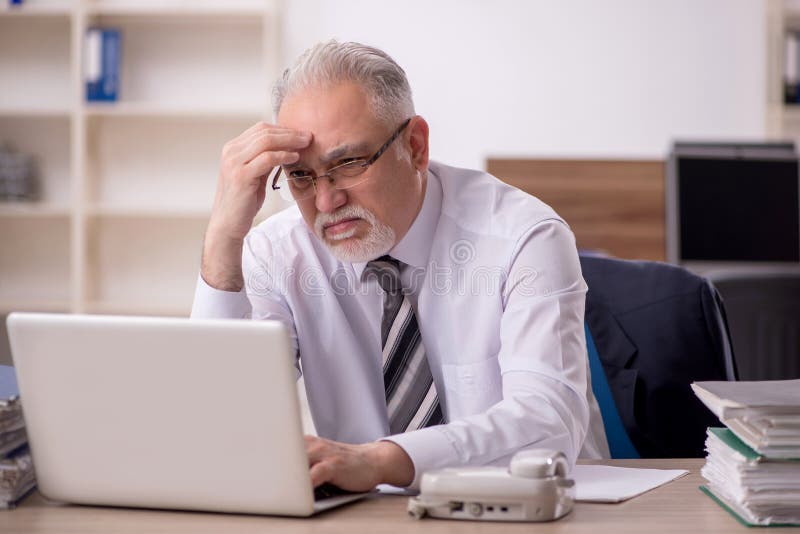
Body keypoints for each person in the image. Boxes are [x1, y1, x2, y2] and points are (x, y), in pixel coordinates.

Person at [191, 40, 609, 492]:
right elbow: (221, 425)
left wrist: (381, 461)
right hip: (367, 516)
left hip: (537, 510)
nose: (327, 201)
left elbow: (547, 426)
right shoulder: (277, 253)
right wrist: (222, 240)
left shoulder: (524, 237)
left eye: (348, 163)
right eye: (300, 176)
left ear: (415, 145)